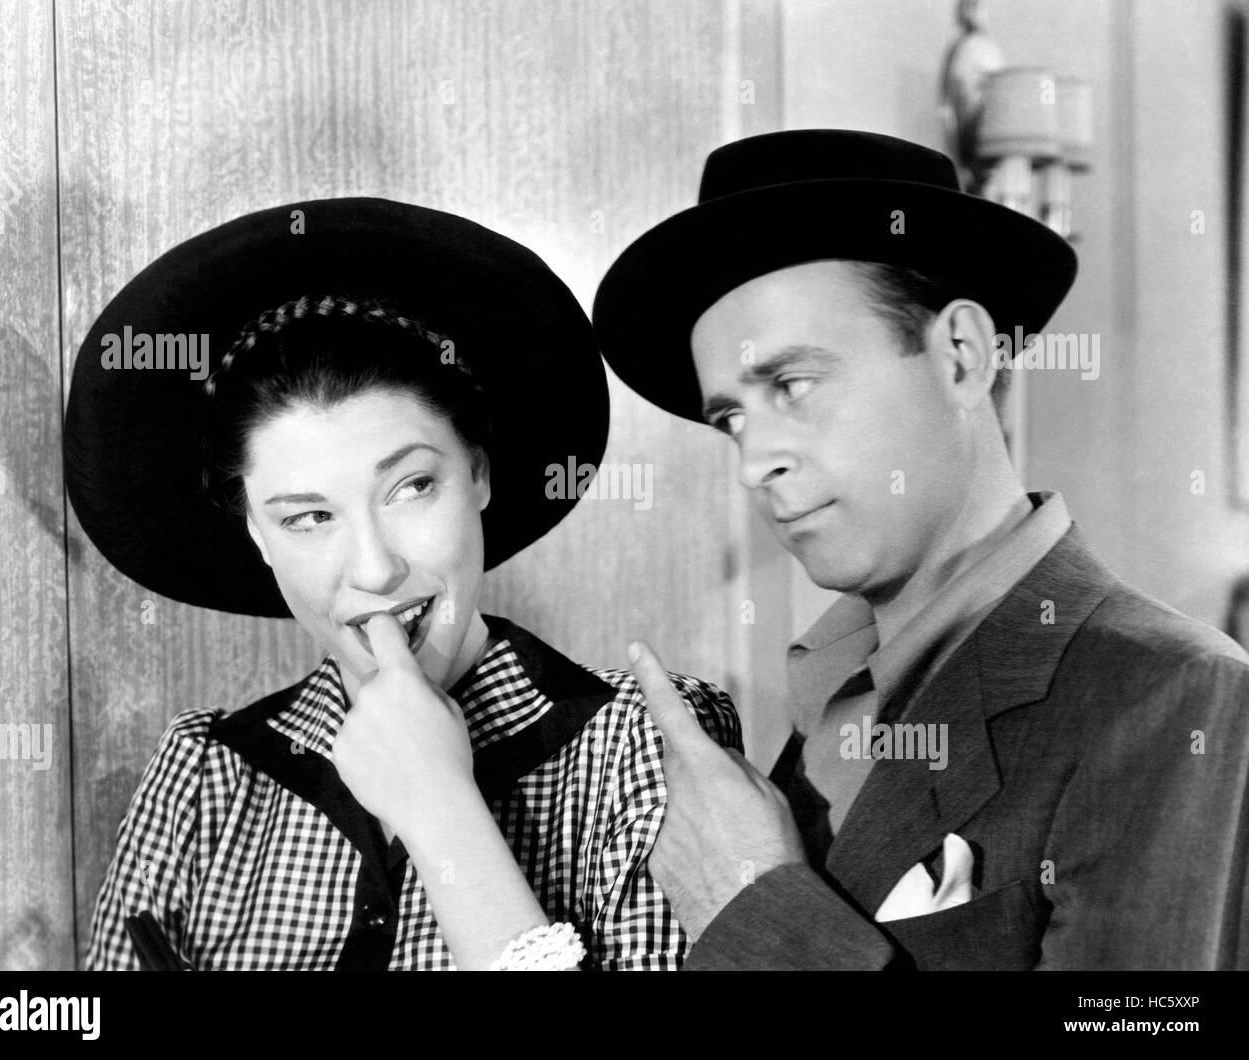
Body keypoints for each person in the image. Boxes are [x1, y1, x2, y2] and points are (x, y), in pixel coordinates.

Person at [592, 129, 1249, 970]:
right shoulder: (828, 698)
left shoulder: (1167, 689)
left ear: (962, 356)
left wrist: (752, 905)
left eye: (792, 386)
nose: (755, 462)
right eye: (732, 420)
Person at [68, 197, 739, 971]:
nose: (376, 568)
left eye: (412, 486)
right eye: (308, 517)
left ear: (479, 474)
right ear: (256, 532)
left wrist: (443, 810)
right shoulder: (203, 776)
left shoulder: (647, 743)